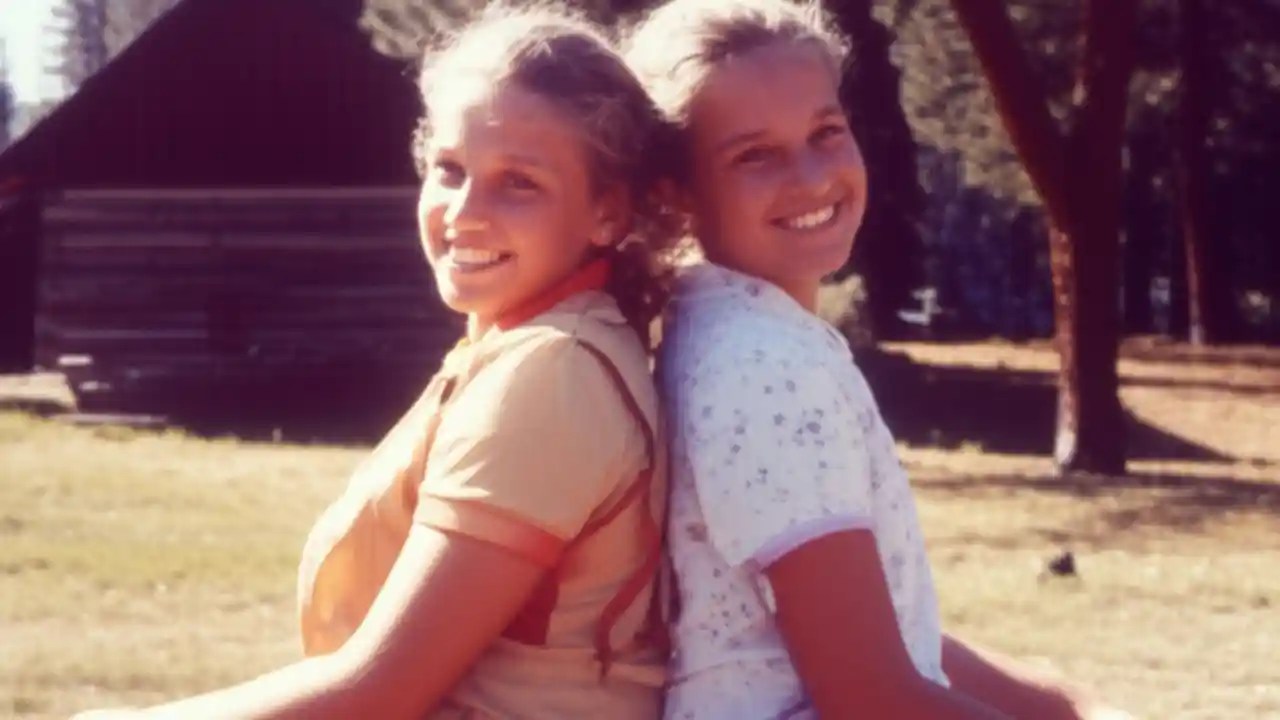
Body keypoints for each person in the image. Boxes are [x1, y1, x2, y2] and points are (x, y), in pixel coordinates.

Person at [73, 4, 679, 718]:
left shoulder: (554, 373)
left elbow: (378, 690)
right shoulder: (530, 345)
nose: (464, 212)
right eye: (450, 169)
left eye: (519, 182)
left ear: (607, 212)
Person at [626, 0, 1132, 718]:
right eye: (754, 154)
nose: (810, 176)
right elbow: (869, 698)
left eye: (825, 132)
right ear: (674, 192)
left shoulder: (724, 327)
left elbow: (862, 632)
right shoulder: (766, 367)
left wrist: (1053, 705)